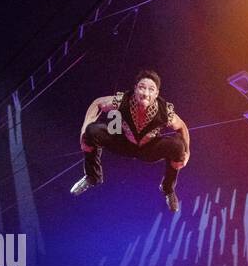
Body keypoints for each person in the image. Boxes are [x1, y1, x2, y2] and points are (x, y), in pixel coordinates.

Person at [71, 69, 190, 212]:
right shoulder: (123, 101)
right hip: (124, 144)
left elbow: (182, 126)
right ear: (135, 89)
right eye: (142, 88)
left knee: (178, 146)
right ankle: (92, 177)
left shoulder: (165, 112)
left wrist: (187, 152)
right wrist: (84, 130)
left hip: (149, 149)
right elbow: (98, 103)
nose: (145, 93)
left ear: (156, 93)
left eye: (151, 90)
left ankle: (168, 189)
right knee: (91, 131)